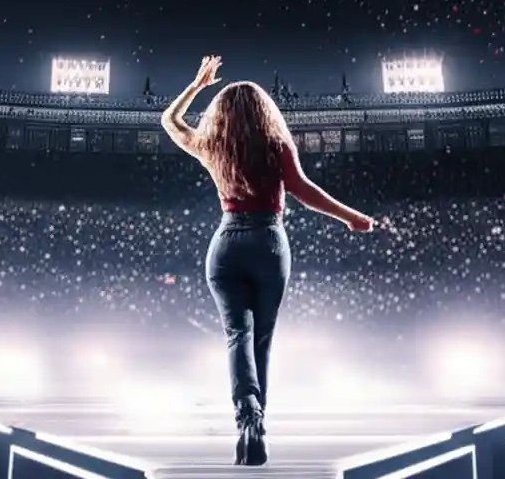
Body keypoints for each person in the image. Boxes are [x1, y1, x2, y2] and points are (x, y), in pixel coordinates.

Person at [161, 55, 375, 466]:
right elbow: (302, 189)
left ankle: (247, 415)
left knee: (236, 335)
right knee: (261, 339)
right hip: (268, 242)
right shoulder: (276, 144)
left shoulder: (211, 145)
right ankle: (259, 426)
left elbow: (170, 122)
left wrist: (195, 87)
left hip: (224, 245)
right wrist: (352, 217)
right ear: (265, 112)